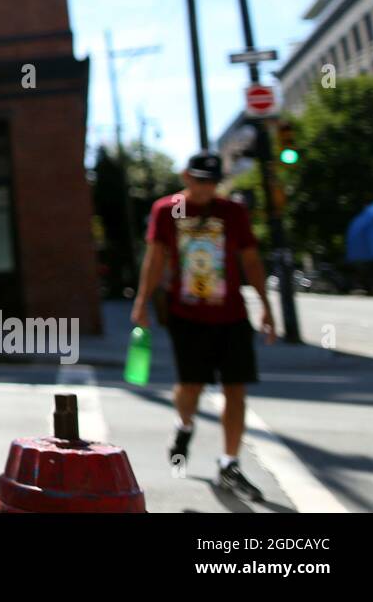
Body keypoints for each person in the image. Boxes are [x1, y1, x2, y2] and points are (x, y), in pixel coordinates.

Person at [131, 151, 276, 501]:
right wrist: (142, 301)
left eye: (211, 182)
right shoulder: (166, 211)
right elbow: (156, 258)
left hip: (231, 315)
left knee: (235, 388)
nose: (205, 189)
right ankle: (184, 426)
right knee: (191, 386)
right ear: (186, 177)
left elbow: (251, 260)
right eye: (200, 181)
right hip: (187, 316)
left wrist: (267, 307)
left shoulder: (233, 213)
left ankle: (229, 463)